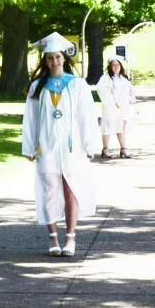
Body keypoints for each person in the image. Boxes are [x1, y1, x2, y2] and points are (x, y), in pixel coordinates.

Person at [20, 32, 102, 257]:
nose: (54, 62)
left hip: (71, 146)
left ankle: (70, 238)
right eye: (49, 58)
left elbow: (87, 115)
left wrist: (90, 144)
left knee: (70, 189)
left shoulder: (77, 84)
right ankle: (53, 238)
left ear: (64, 58)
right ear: (45, 61)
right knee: (49, 191)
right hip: (46, 145)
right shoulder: (37, 86)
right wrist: (29, 146)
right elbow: (30, 118)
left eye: (57, 57)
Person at [97, 55, 135, 159]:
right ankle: (105, 149)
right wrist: (111, 101)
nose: (115, 67)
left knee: (121, 128)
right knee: (108, 128)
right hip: (110, 107)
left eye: (117, 65)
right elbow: (100, 89)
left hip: (122, 109)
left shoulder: (123, 78)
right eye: (113, 65)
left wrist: (131, 100)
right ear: (110, 67)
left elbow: (130, 91)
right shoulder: (105, 78)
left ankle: (123, 150)